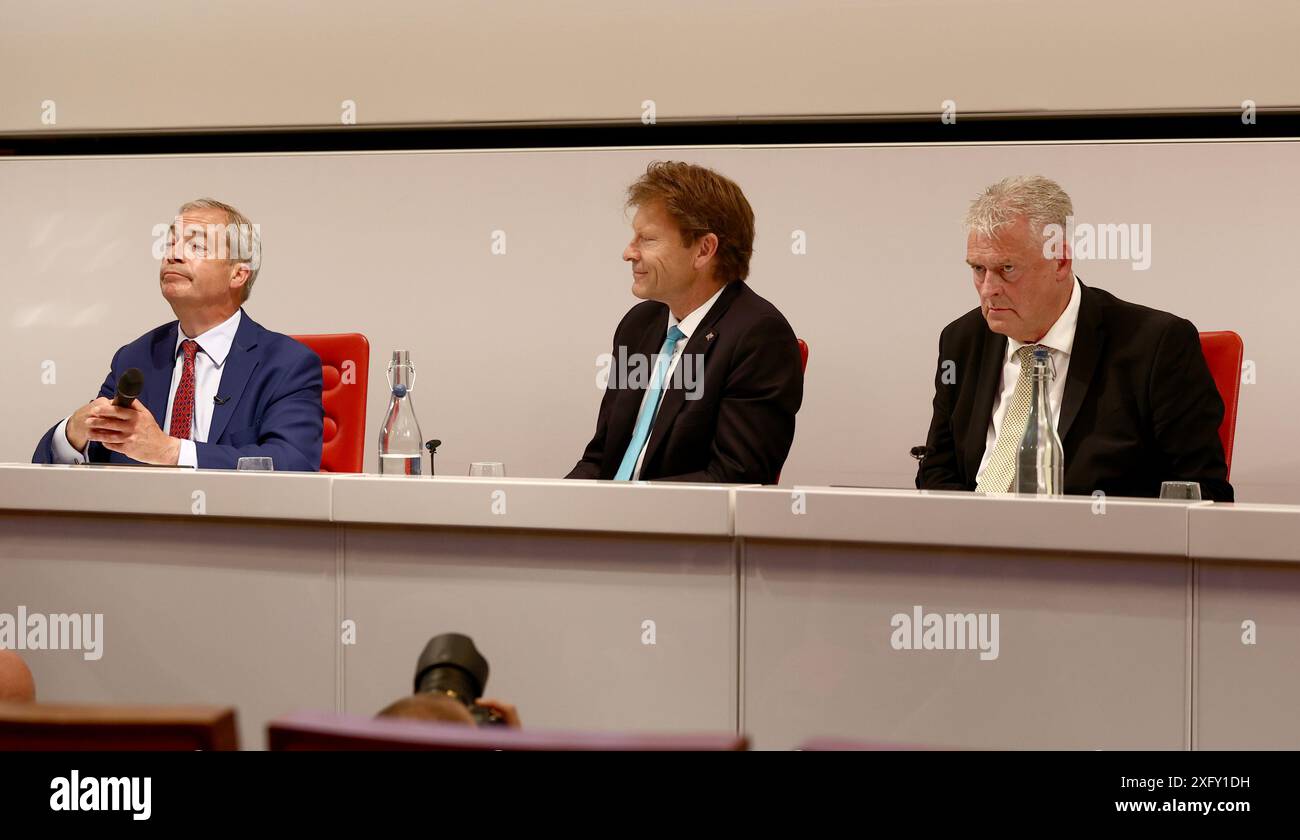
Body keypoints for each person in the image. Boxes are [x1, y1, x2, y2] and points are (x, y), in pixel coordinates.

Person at [917, 175, 1232, 501]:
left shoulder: (1155, 345)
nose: (988, 289)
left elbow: (1204, 494)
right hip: (975, 544)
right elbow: (938, 470)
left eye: (1007, 269)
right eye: (978, 269)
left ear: (1061, 261)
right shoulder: (962, 340)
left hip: (1094, 544)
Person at [32, 199, 323, 470]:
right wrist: (73, 432)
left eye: (196, 246)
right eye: (170, 243)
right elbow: (81, 462)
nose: (173, 254)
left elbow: (292, 462)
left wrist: (173, 452)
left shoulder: (287, 364)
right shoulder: (136, 357)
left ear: (238, 274)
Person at [567, 161, 803, 484]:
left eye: (647, 239)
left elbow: (734, 479)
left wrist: (627, 512)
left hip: (678, 532)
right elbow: (601, 458)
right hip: (615, 525)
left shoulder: (759, 338)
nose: (628, 252)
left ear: (704, 250)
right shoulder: (638, 326)